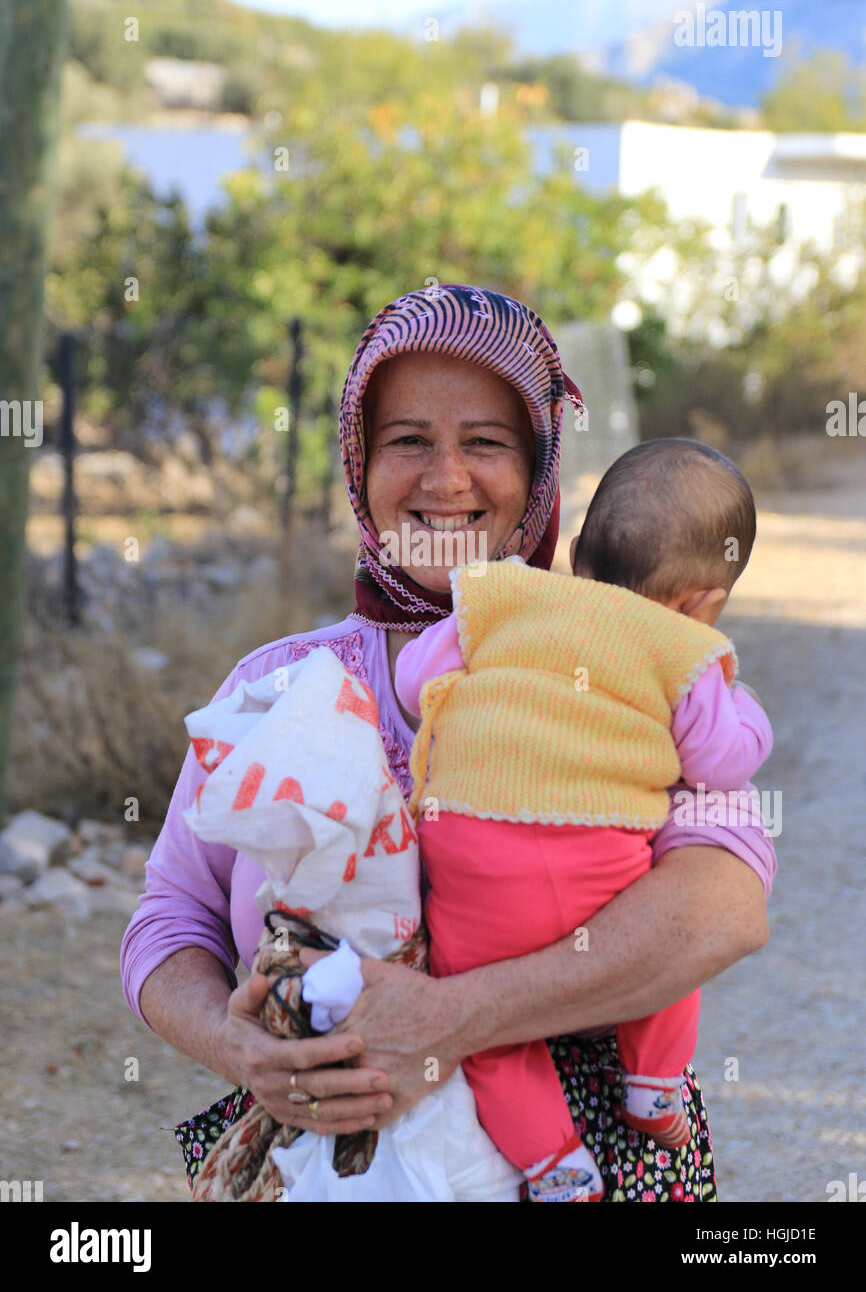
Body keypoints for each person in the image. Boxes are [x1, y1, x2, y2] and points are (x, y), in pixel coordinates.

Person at [120, 283, 776, 1201]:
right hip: (328, 1156)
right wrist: (238, 1045)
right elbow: (168, 921)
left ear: (541, 468)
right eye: (408, 441)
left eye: (485, 442)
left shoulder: (622, 662)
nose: (445, 479)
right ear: (358, 460)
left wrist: (449, 1020)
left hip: (586, 1159)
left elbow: (724, 906)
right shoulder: (278, 688)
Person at [393, 438, 773, 1201]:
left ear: (572, 550)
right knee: (665, 957)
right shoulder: (684, 647)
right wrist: (743, 705)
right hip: (596, 870)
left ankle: (557, 1168)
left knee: (489, 1036)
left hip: (473, 862)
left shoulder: (505, 596)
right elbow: (721, 762)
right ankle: (655, 1085)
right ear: (706, 601)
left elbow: (414, 682)